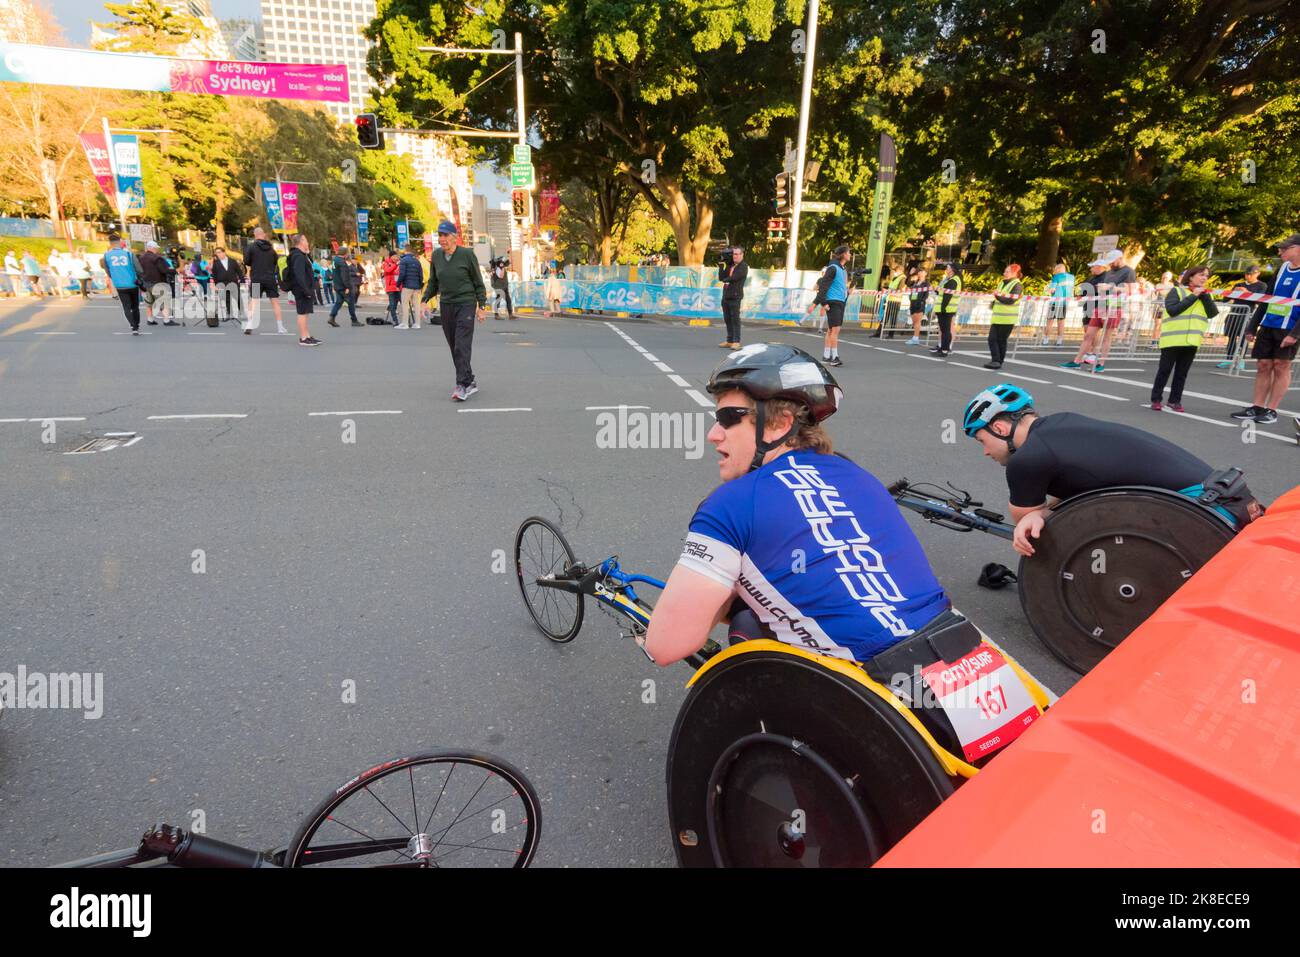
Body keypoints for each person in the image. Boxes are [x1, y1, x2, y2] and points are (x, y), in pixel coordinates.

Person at [641, 343, 953, 668]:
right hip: (965, 656)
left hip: (884, 693)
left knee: (747, 624)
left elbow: (666, 647)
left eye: (728, 418)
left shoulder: (731, 503)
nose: (713, 434)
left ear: (780, 424)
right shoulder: (853, 473)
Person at [963, 383, 1264, 558]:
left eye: (982, 441)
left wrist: (1032, 516)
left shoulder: (1026, 460)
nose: (986, 452)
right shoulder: (1064, 422)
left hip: (1200, 519)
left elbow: (1028, 523)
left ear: (999, 427)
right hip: (1228, 498)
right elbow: (1088, 484)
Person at [1230, 234, 1300, 425]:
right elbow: (1267, 298)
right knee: (1263, 365)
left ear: (1297, 249)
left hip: (1290, 327)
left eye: (1285, 248)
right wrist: (1252, 326)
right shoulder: (1282, 269)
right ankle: (1257, 406)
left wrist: (1295, 334)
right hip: (1269, 324)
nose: (1280, 251)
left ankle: (1272, 410)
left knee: (1281, 365)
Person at [420, 220, 487, 401]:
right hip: (446, 304)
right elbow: (434, 282)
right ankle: (470, 380)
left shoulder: (466, 255)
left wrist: (482, 306)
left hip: (465, 303)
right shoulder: (436, 256)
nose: (442, 239)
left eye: (445, 235)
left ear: (454, 237)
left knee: (461, 345)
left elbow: (478, 282)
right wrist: (424, 300)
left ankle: (461, 385)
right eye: (440, 236)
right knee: (453, 346)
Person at [1151, 266, 1217, 412]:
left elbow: (1212, 313)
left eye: (1206, 276)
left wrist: (1204, 296)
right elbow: (1173, 310)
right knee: (1165, 370)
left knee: (1182, 373)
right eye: (1201, 275)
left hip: (1192, 340)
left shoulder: (1207, 294)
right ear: (1191, 276)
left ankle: (1175, 401)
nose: (1205, 278)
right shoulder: (1177, 291)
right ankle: (1156, 399)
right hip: (1172, 339)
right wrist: (1193, 296)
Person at [1063, 249, 1132, 372]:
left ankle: (1101, 364)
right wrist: (1101, 289)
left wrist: (1111, 287)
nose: (1110, 264)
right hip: (1100, 305)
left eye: (1112, 261)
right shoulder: (1110, 272)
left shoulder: (1128, 271)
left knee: (1107, 337)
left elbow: (1129, 290)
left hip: (1113, 307)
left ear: (1120, 258)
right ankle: (1077, 361)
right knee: (1088, 334)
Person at [803, 245, 852, 367]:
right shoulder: (833, 267)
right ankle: (834, 357)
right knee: (835, 330)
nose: (850, 255)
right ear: (843, 254)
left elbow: (841, 285)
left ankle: (826, 355)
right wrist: (824, 303)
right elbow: (823, 285)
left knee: (831, 330)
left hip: (840, 301)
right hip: (833, 301)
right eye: (849, 253)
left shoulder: (842, 269)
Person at [242, 227, 288, 336]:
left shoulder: (251, 247)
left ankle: (249, 324)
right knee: (275, 302)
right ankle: (280, 327)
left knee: (253, 302)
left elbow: (246, 261)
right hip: (270, 278)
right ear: (263, 235)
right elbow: (275, 262)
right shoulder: (271, 249)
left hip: (257, 278)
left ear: (255, 235)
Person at [1218, 265, 1266, 369]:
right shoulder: (1238, 284)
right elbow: (1225, 299)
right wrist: (1232, 292)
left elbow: (1261, 300)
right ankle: (1229, 359)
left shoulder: (1261, 286)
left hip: (1247, 315)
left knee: (1244, 337)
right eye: (1246, 274)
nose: (1248, 276)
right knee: (1231, 336)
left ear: (1257, 274)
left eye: (1251, 274)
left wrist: (1246, 293)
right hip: (1234, 313)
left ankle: (1241, 360)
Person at [103, 234, 144, 334]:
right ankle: (136, 324)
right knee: (135, 306)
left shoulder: (106, 255)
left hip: (119, 284)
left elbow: (107, 270)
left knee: (126, 306)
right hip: (132, 283)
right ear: (120, 241)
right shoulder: (129, 254)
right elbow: (139, 269)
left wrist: (115, 277)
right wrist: (139, 276)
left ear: (110, 243)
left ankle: (132, 325)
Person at [984, 263, 1023, 369]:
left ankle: (998, 361)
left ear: (1014, 273)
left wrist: (997, 297)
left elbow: (1011, 300)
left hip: (1008, 318)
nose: (1004, 273)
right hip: (997, 317)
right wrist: (994, 301)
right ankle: (996, 360)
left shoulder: (1017, 285)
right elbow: (1000, 296)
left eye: (1007, 271)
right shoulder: (1002, 283)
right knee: (992, 339)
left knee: (1001, 340)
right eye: (1005, 271)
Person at [284, 233, 320, 346]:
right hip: (301, 289)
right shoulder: (297, 256)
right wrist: (306, 290)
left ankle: (307, 335)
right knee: (302, 313)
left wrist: (308, 253)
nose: (307, 242)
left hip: (305, 288)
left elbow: (311, 264)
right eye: (305, 240)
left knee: (305, 312)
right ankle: (303, 338)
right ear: (300, 242)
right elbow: (299, 275)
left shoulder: (302, 255)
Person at [138, 241, 177, 325]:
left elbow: (138, 270)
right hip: (157, 282)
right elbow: (164, 269)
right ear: (152, 248)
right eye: (156, 248)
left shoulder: (141, 258)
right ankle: (166, 320)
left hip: (145, 283)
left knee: (149, 302)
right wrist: (173, 270)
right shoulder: (157, 258)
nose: (157, 249)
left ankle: (150, 319)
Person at [717, 246, 748, 349]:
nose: (734, 256)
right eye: (733, 254)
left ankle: (736, 341)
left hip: (735, 296)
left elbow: (734, 278)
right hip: (726, 295)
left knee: (735, 319)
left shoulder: (743, 266)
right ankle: (729, 340)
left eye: (737, 254)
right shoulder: (730, 266)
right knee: (727, 319)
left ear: (741, 255)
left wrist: (726, 279)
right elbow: (721, 277)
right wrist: (721, 265)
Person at [929, 263, 962, 356]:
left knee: (946, 330)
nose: (946, 269)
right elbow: (942, 293)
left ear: (952, 270)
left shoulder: (953, 281)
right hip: (945, 309)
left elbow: (947, 296)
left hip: (947, 309)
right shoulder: (948, 279)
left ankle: (944, 350)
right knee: (944, 330)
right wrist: (936, 289)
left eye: (947, 268)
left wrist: (943, 309)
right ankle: (943, 348)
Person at [1041, 263, 1074, 346]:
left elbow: (1052, 290)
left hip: (1055, 301)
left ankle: (1046, 339)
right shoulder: (1071, 277)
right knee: (1061, 321)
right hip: (1065, 301)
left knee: (1050, 321)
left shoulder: (1056, 277)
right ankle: (1059, 340)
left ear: (1058, 269)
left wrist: (1047, 290)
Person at [210, 246, 244, 322]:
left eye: (219, 252)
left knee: (238, 298)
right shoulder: (216, 263)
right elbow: (214, 274)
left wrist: (242, 280)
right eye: (217, 253)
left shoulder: (232, 261)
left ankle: (242, 312)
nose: (218, 254)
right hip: (222, 284)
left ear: (224, 252)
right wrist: (216, 285)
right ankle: (230, 314)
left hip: (233, 282)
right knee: (227, 299)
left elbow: (239, 271)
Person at [327, 245, 358, 327]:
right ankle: (354, 320)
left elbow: (335, 274)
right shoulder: (342, 263)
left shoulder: (335, 260)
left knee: (339, 302)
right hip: (343, 286)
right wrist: (347, 287)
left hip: (337, 285)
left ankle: (332, 317)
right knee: (351, 302)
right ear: (345, 254)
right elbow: (345, 277)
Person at [396, 242, 424, 328]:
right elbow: (421, 275)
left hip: (407, 286)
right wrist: (420, 286)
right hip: (417, 287)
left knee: (405, 304)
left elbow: (402, 274)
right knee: (417, 305)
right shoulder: (417, 261)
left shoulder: (403, 261)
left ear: (405, 250)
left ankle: (405, 323)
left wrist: (398, 284)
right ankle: (417, 324)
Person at [905, 264, 928, 345]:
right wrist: (911, 274)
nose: (920, 273)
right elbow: (907, 283)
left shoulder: (926, 283)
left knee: (917, 321)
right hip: (913, 303)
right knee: (914, 322)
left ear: (925, 273)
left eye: (922, 271)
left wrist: (921, 302)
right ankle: (915, 337)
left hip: (920, 304)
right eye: (919, 271)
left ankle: (916, 338)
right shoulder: (915, 282)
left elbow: (925, 295)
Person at [382, 249, 400, 324]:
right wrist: (396, 265)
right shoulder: (386, 263)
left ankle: (405, 320)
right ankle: (395, 320)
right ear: (391, 256)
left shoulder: (399, 263)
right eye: (394, 256)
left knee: (396, 303)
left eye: (397, 256)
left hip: (398, 286)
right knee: (392, 304)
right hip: (390, 287)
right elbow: (388, 270)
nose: (396, 258)